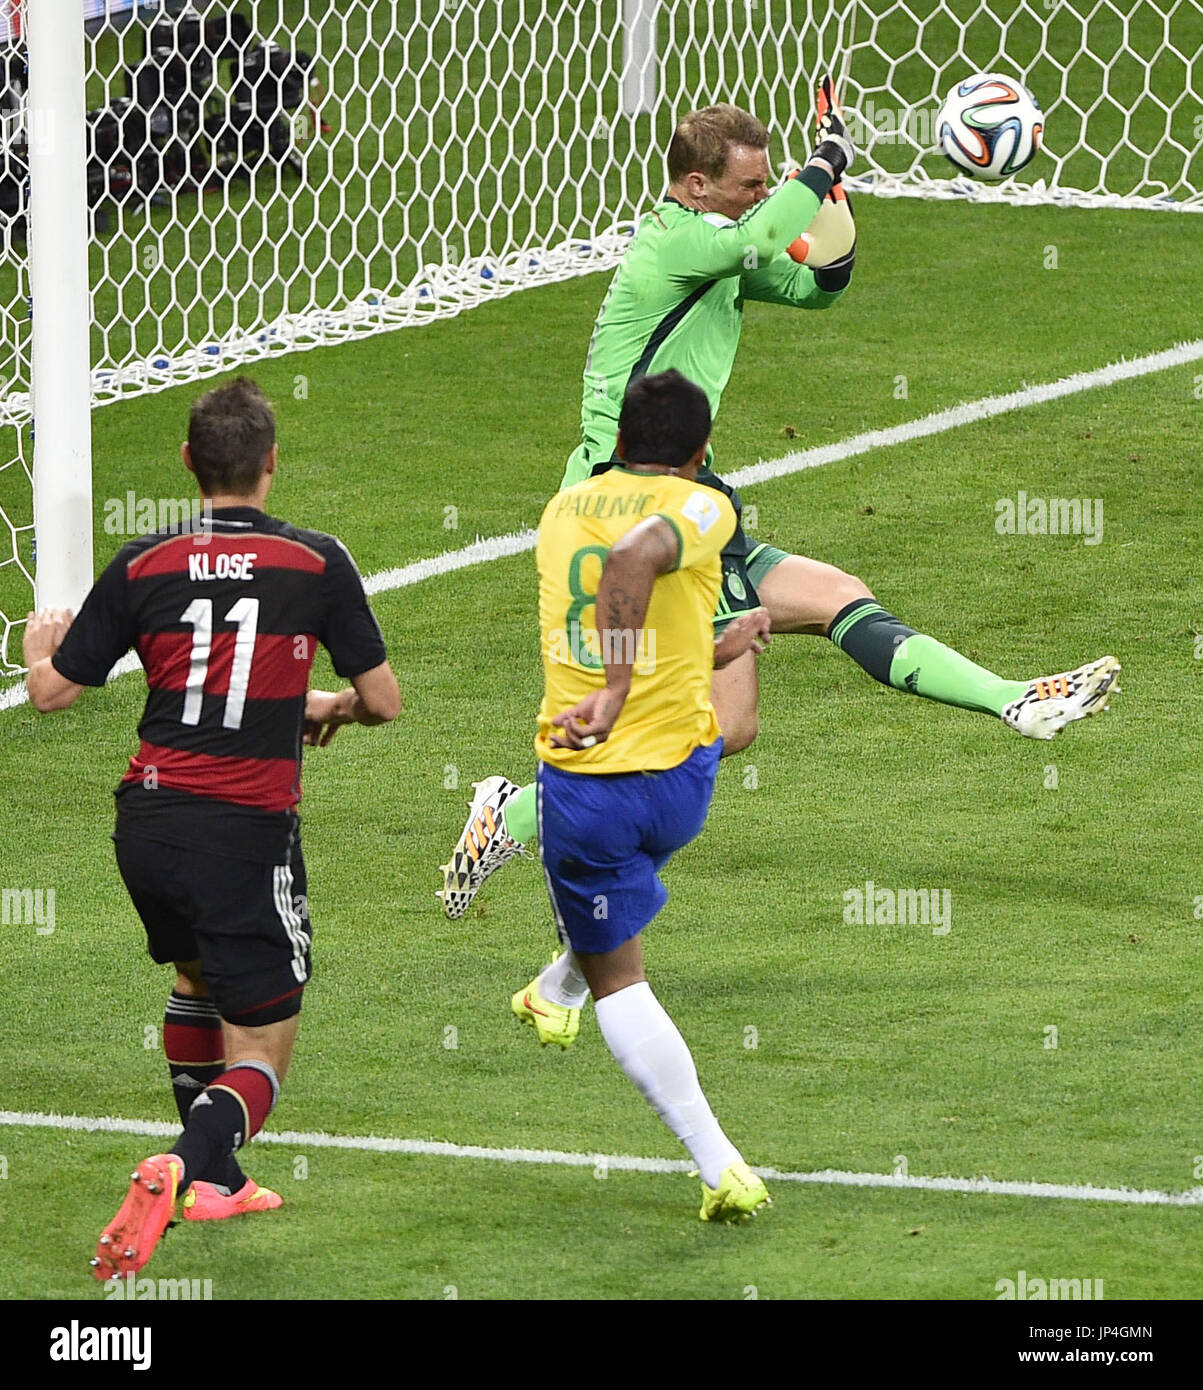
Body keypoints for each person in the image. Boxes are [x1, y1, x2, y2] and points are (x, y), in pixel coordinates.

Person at [438, 87, 1118, 917]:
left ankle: (1013, 700)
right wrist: (823, 163)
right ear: (695, 187)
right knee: (728, 726)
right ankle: (512, 815)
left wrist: (831, 209)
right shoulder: (679, 245)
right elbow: (764, 234)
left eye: (767, 183)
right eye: (748, 184)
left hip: (686, 496)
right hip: (632, 504)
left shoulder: (718, 250)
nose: (762, 197)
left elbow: (817, 288)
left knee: (837, 597)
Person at [23, 377, 401, 1279]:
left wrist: (39, 645)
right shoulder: (314, 562)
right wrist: (335, 707)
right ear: (272, 462)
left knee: (197, 973)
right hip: (242, 830)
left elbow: (53, 693)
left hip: (146, 825)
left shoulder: (144, 563)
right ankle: (180, 1166)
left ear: (188, 463)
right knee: (265, 1043)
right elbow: (384, 702)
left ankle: (218, 1183)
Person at [514, 368, 771, 1219]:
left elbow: (622, 568)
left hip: (588, 788)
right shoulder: (707, 506)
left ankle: (719, 1166)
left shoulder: (558, 513)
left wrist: (623, 682)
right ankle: (554, 992)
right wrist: (684, 661)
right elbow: (640, 572)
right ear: (697, 456)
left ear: (617, 444)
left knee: (618, 970)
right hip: (684, 783)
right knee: (607, 918)